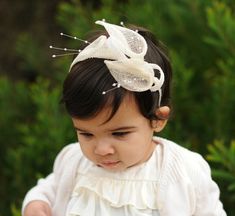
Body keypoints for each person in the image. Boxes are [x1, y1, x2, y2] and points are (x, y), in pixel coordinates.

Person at [22, 20, 226, 216]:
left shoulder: (181, 171)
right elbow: (49, 188)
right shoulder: (73, 161)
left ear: (158, 118)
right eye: (86, 134)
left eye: (119, 133)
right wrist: (37, 204)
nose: (101, 149)